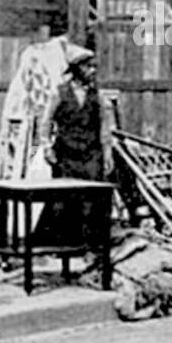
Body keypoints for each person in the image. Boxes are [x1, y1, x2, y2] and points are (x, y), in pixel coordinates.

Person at [38, 45, 112, 249]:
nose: (93, 71)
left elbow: (105, 127)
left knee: (93, 199)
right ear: (76, 68)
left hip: (91, 153)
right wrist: (46, 147)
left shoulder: (98, 95)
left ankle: (92, 246)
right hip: (66, 153)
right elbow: (45, 122)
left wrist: (107, 154)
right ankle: (64, 245)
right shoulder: (59, 92)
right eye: (88, 67)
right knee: (64, 200)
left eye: (94, 66)